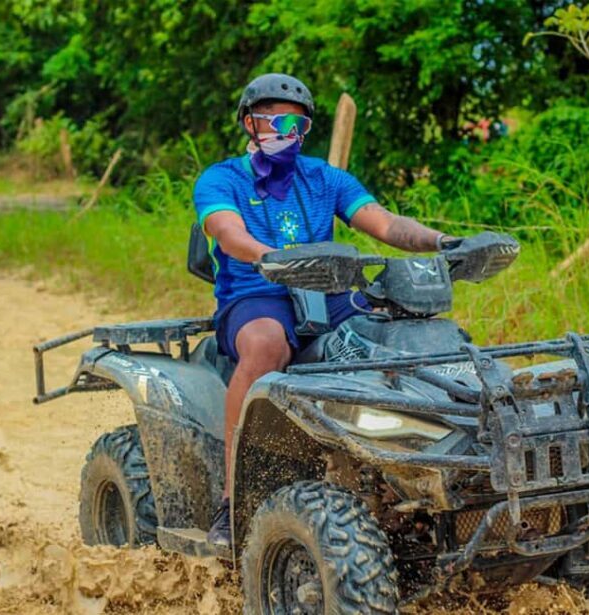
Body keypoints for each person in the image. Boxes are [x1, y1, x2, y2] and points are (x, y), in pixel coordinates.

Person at [192, 73, 456, 547]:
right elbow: (226, 231)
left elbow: (385, 223)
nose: (281, 130)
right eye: (269, 119)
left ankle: (413, 463)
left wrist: (440, 242)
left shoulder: (324, 178)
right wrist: (266, 255)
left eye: (293, 122)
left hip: (325, 291)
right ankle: (232, 499)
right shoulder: (221, 178)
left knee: (391, 334)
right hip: (257, 292)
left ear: (306, 128)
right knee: (267, 345)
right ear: (248, 124)